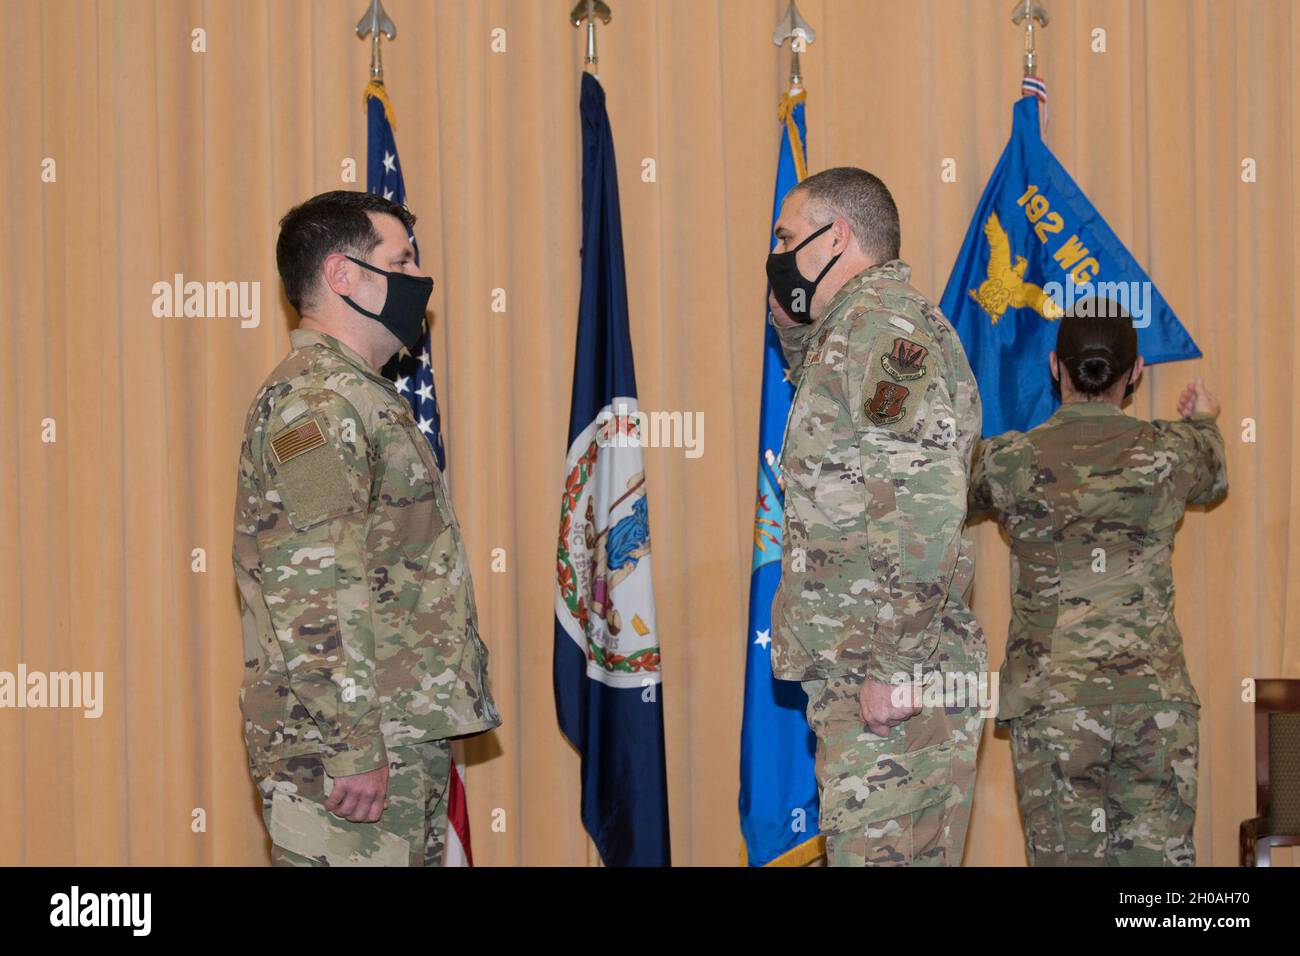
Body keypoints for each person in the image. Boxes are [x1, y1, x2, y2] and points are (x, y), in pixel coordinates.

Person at [231, 190, 499, 866]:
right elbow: (315, 579)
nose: (419, 279)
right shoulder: (314, 408)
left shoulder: (354, 395)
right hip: (351, 759)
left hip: (392, 739)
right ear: (342, 276)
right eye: (401, 260)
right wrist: (352, 743)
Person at [767, 167, 985, 866]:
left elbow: (924, 503)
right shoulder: (852, 332)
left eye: (786, 237)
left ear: (838, 237)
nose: (774, 255)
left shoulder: (883, 328)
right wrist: (795, 331)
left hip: (896, 682)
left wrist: (894, 664)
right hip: (868, 678)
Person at [969, 298, 1228, 866]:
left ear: (1054, 366)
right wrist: (1204, 417)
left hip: (1055, 707)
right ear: (1135, 374)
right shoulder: (1170, 452)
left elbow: (950, 495)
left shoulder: (1013, 460)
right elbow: (1213, 472)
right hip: (1154, 707)